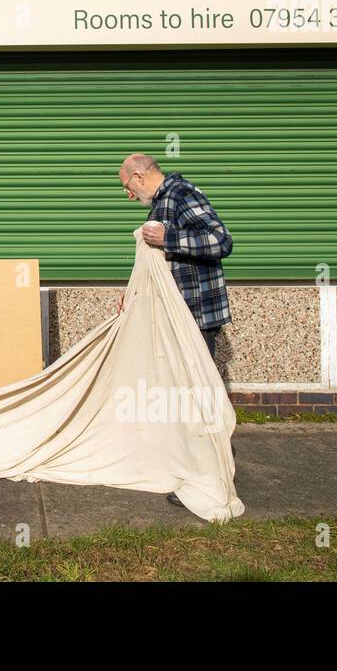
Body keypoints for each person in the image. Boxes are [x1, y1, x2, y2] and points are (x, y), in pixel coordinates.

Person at [118, 153, 234, 509]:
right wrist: (132, 293)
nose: (128, 195)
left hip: (196, 318)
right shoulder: (161, 204)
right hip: (179, 319)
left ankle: (210, 480)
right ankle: (194, 469)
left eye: (126, 187)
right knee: (185, 399)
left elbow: (221, 240)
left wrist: (169, 238)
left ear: (139, 176)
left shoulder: (181, 194)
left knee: (198, 399)